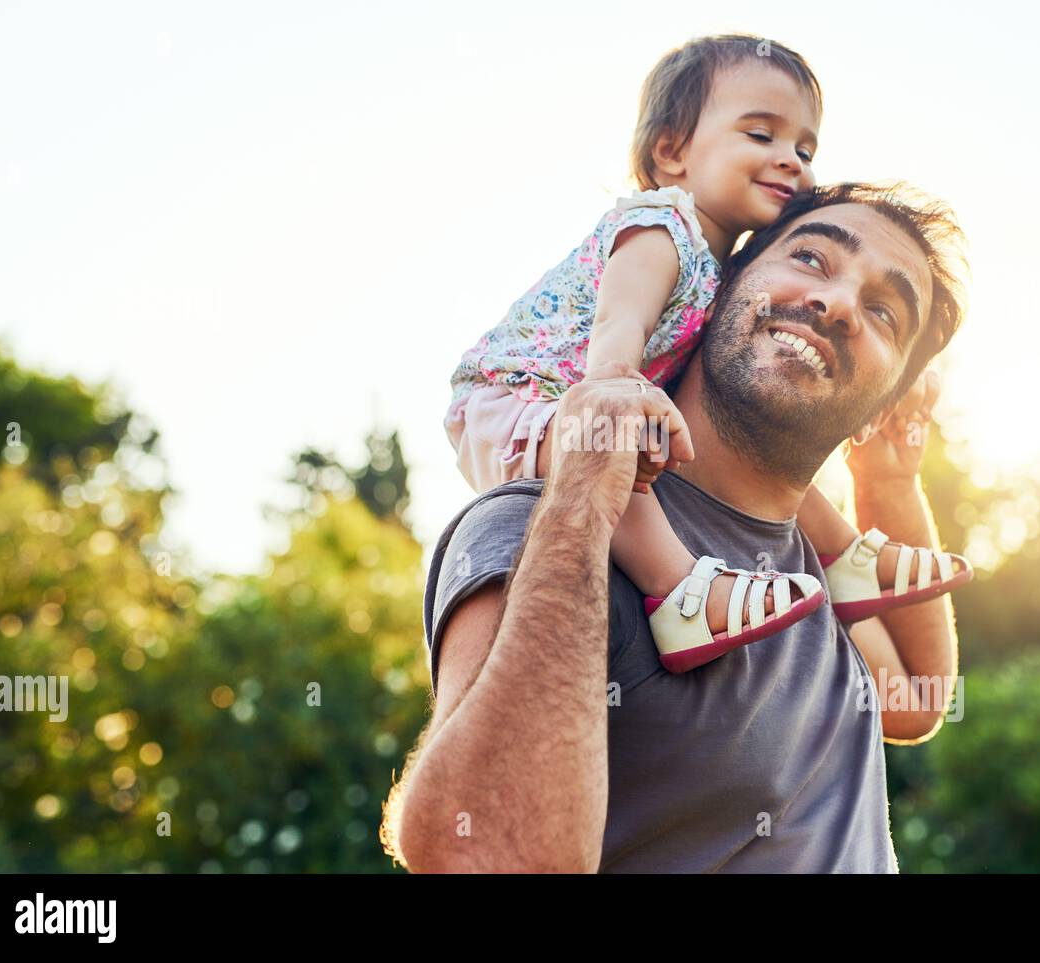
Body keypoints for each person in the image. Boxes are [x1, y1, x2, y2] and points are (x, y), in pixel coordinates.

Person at [383, 180, 969, 872]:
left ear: (879, 408)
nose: (838, 303)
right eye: (811, 259)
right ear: (714, 294)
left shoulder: (813, 570)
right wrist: (579, 494)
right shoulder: (543, 525)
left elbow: (918, 699)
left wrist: (890, 481)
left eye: (884, 312)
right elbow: (475, 852)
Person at [444, 34, 970, 673]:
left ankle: (848, 561)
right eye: (761, 136)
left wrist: (888, 481)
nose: (793, 163)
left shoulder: (718, 274)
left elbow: (914, 704)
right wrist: (616, 384)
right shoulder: (660, 227)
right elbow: (619, 321)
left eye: (805, 149)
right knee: (608, 441)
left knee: (733, 455)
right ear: (671, 151)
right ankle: (682, 593)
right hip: (523, 397)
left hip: (592, 405)